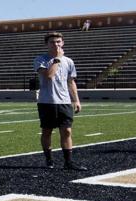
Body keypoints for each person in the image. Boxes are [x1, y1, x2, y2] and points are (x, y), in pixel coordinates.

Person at [35, 32, 84, 171]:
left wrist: (76, 100)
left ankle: (68, 162)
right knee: (47, 131)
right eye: (52, 42)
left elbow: (71, 82)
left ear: (62, 43)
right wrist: (57, 59)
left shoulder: (69, 61)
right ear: (47, 44)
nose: (56, 44)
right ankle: (49, 159)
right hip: (47, 102)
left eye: (58, 41)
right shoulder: (40, 59)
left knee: (67, 131)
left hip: (64, 101)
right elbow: (49, 75)